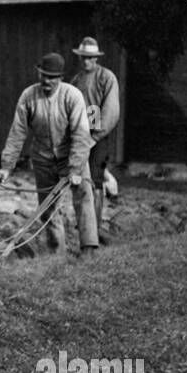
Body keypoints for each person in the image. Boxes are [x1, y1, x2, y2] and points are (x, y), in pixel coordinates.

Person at [0, 52, 98, 255]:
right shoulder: (28, 96)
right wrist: (6, 167)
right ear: (38, 73)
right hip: (43, 160)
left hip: (72, 157)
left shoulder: (72, 96)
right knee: (49, 208)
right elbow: (17, 132)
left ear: (60, 77)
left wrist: (75, 169)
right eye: (43, 75)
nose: (46, 81)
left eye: (52, 77)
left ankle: (89, 248)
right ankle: (56, 255)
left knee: (84, 197)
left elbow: (81, 134)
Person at [69, 37, 120, 241]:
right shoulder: (75, 81)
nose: (86, 61)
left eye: (90, 58)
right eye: (83, 58)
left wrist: (96, 136)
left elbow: (111, 110)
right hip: (79, 137)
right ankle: (84, 223)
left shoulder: (106, 78)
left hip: (98, 136)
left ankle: (95, 228)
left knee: (94, 181)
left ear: (96, 58)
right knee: (79, 180)